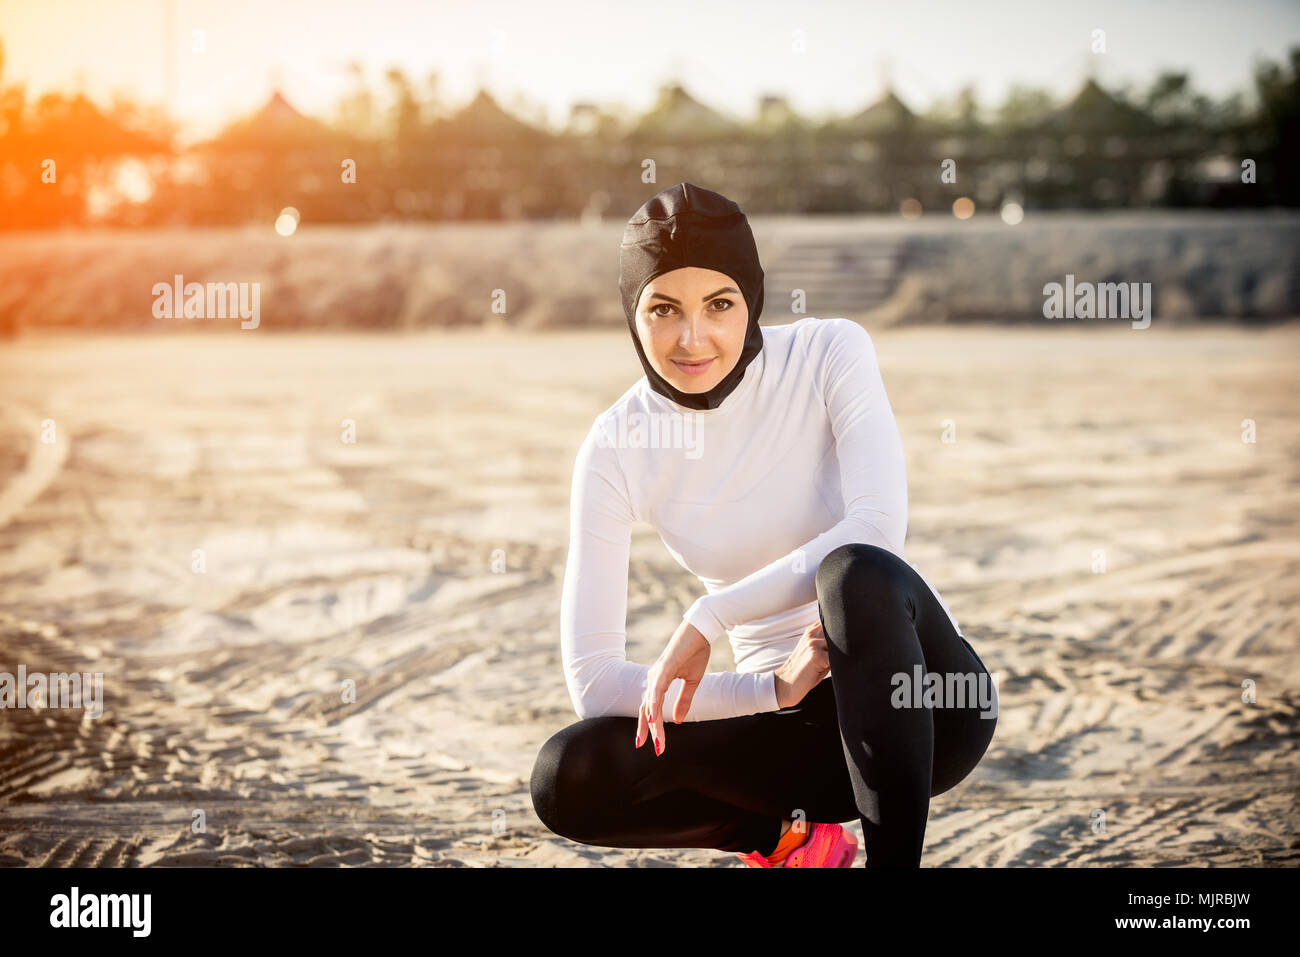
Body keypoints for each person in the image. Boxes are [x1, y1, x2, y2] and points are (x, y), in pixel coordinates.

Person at [530, 182, 998, 867]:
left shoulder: (829, 351)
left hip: (925, 712)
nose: (694, 338)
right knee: (567, 773)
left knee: (855, 573)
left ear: (751, 298)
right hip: (791, 739)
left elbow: (875, 528)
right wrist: (769, 688)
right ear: (632, 315)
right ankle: (788, 839)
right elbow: (597, 681)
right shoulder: (615, 445)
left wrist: (711, 614)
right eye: (663, 309)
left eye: (719, 304)